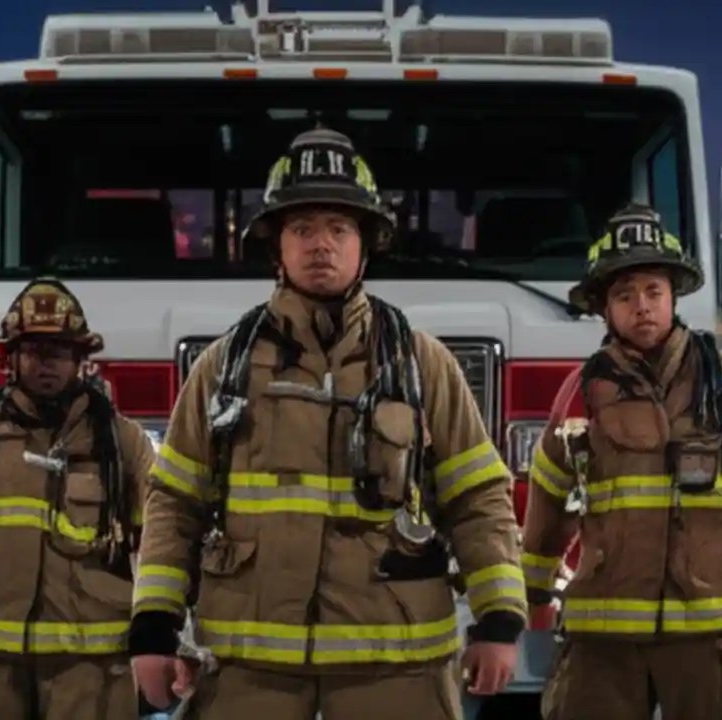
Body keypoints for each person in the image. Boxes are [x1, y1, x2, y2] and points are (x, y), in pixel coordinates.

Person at [127, 127, 526, 719]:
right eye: (303, 229)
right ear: (276, 246)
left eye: (340, 229)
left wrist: (499, 619)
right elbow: (175, 502)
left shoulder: (422, 363)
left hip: (395, 662)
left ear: (365, 245)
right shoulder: (223, 368)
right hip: (248, 663)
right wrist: (155, 628)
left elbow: (478, 496)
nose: (322, 245)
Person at [521, 205, 722, 719]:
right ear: (605, 309)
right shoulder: (579, 395)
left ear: (673, 297)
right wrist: (529, 599)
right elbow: (548, 504)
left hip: (718, 631)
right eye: (624, 296)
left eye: (653, 292)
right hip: (605, 639)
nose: (641, 306)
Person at [0, 278, 156, 719]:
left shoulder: (121, 443)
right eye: (33, 352)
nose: (46, 365)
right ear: (11, 359)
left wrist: (163, 627)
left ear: (81, 359)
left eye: (58, 352)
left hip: (88, 660)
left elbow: (160, 538)